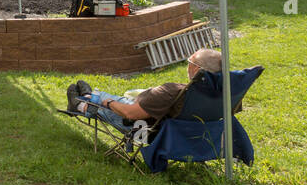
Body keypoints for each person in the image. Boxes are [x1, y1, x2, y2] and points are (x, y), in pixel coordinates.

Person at [67, 47, 223, 131]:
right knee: (116, 98)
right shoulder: (222, 94)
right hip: (189, 130)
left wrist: (108, 103)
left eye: (190, 62)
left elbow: (130, 114)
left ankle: (81, 104)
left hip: (141, 126)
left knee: (103, 99)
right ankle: (88, 96)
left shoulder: (171, 91)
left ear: (196, 70)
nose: (187, 65)